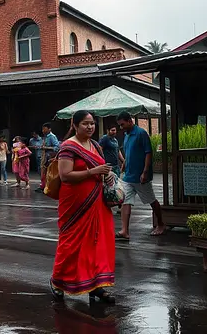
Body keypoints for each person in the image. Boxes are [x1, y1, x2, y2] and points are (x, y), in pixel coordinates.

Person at [50, 110, 116, 303]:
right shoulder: (68, 147)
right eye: (85, 124)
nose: (90, 127)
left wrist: (107, 175)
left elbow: (102, 169)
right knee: (71, 244)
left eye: (92, 123)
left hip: (97, 202)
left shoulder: (95, 145)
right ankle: (58, 281)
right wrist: (93, 172)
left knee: (97, 243)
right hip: (75, 204)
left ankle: (96, 285)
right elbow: (65, 175)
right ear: (75, 125)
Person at [116, 112, 166, 238]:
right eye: (120, 125)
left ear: (130, 121)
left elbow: (148, 153)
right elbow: (128, 152)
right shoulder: (127, 135)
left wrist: (145, 172)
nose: (121, 128)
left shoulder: (141, 133)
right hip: (128, 176)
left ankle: (160, 224)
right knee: (126, 201)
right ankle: (124, 230)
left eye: (122, 124)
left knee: (151, 201)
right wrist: (124, 164)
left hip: (140, 176)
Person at [37, 122, 60, 193]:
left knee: (47, 172)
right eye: (42, 129)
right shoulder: (45, 137)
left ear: (49, 129)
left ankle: (47, 187)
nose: (43, 130)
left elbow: (57, 147)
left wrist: (46, 148)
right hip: (44, 155)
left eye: (44, 129)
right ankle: (43, 186)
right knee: (43, 171)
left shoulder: (52, 136)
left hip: (49, 156)